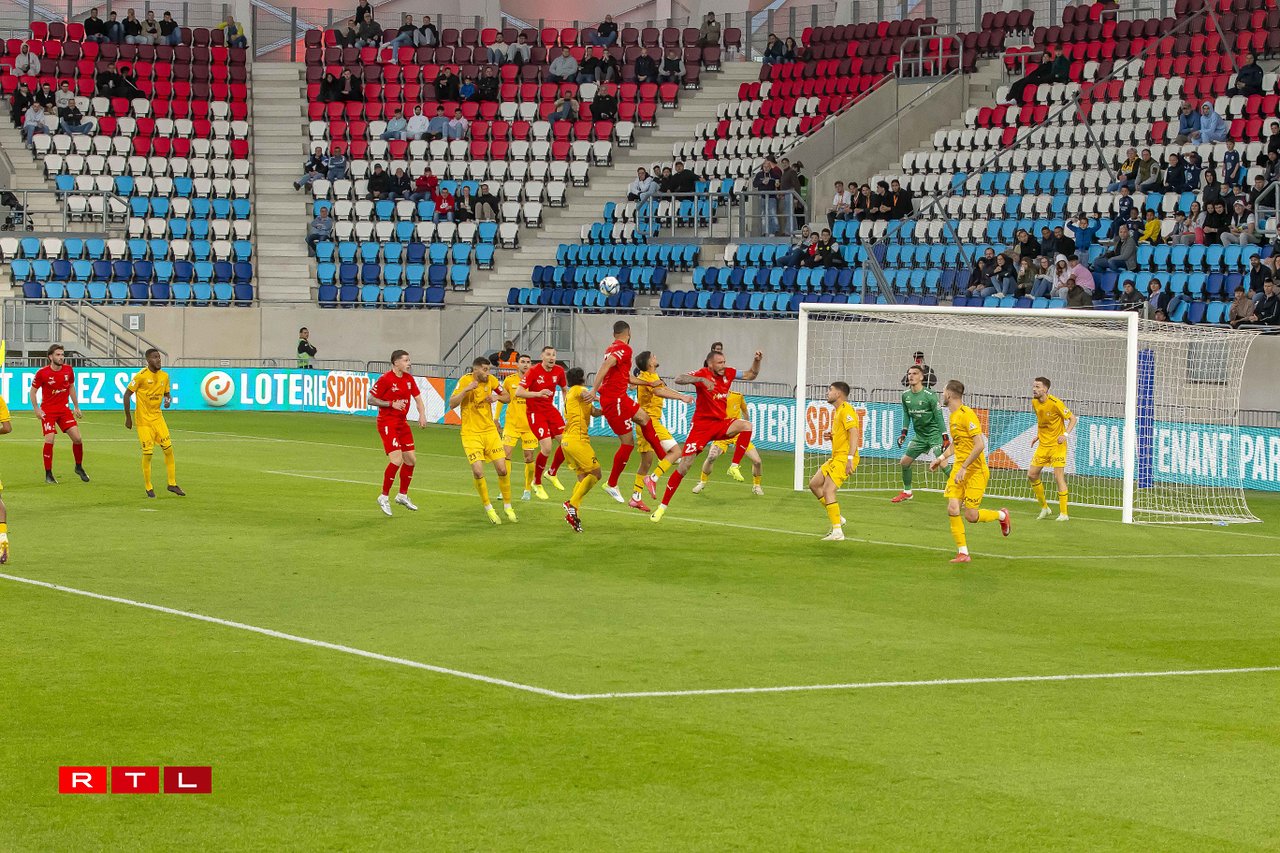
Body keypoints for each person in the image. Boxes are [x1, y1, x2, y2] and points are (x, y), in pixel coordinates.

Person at [648, 350, 761, 523]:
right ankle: (662, 507)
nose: (723, 365)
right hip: (701, 428)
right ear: (710, 364)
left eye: (724, 362)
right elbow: (679, 378)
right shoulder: (702, 374)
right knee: (685, 466)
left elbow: (751, 375)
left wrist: (756, 361)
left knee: (747, 425)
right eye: (719, 363)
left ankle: (734, 465)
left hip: (720, 423)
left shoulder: (729, 373)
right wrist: (700, 379)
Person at [588, 321, 682, 504]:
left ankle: (663, 459)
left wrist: (648, 383)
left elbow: (626, 376)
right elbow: (606, 366)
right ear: (628, 333)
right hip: (614, 399)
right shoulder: (624, 348)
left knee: (644, 419)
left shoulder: (611, 348)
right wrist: (593, 390)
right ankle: (612, 483)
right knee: (627, 443)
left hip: (620, 397)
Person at [929, 380, 1011, 564]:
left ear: (949, 395)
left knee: (971, 516)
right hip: (960, 468)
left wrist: (965, 467)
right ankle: (963, 553)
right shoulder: (952, 416)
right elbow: (956, 446)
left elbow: (980, 445)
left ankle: (1002, 515)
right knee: (952, 507)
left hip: (975, 471)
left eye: (943, 392)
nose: (942, 395)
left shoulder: (968, 415)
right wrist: (941, 459)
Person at [449, 357, 517, 525]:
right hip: (471, 434)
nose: (488, 373)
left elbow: (508, 397)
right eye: (485, 370)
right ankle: (489, 508)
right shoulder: (465, 380)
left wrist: (497, 397)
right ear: (476, 370)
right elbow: (452, 404)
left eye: (489, 369)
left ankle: (508, 506)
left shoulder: (492, 380)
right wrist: (466, 390)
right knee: (478, 472)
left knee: (502, 469)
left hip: (489, 432)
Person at [625, 351, 690, 512]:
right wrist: (681, 397)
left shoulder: (650, 375)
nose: (656, 357)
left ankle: (636, 497)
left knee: (646, 462)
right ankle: (653, 479)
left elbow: (661, 388)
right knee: (676, 452)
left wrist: (679, 394)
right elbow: (659, 391)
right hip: (650, 422)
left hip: (643, 423)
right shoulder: (649, 377)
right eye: (653, 356)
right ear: (649, 363)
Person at [368, 350, 427, 516]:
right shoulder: (386, 379)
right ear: (396, 363)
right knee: (397, 459)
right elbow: (370, 399)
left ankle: (402, 495)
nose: (409, 363)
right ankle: (384, 496)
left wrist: (422, 414)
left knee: (411, 460)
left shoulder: (409, 379)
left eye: (409, 360)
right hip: (387, 423)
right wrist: (390, 404)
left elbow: (418, 399)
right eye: (406, 360)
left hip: (402, 424)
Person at [122, 348, 185, 499]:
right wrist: (128, 417)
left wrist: (168, 400)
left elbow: (167, 394)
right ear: (148, 360)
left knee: (169, 450)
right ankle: (148, 486)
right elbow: (127, 395)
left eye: (159, 357)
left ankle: (172, 483)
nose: (158, 360)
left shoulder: (165, 376)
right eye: (155, 357)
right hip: (143, 421)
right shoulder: (141, 377)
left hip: (158, 419)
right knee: (148, 453)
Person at [807, 382, 861, 541]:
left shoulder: (846, 410)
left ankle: (837, 532)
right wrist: (833, 436)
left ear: (838, 394)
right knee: (814, 484)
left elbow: (854, 433)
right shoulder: (838, 412)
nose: (827, 393)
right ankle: (839, 518)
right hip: (836, 457)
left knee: (828, 490)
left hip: (844, 458)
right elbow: (845, 434)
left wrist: (850, 458)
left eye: (830, 390)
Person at [889, 364, 949, 503]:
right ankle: (907, 492)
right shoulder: (905, 395)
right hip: (920, 437)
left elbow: (939, 416)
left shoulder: (930, 396)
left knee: (942, 463)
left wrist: (944, 437)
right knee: (904, 462)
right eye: (909, 373)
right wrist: (904, 433)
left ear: (921, 377)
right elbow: (906, 414)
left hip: (934, 435)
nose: (911, 376)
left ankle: (960, 493)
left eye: (915, 373)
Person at [515, 346, 568, 499]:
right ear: (542, 356)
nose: (551, 357)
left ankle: (551, 473)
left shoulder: (559, 371)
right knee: (547, 447)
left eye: (554, 355)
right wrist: (538, 393)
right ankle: (536, 482)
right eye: (548, 354)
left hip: (550, 411)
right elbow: (519, 392)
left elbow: (565, 389)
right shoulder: (533, 371)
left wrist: (567, 407)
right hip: (535, 413)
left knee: (567, 444)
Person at [558, 367, 605, 533]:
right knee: (596, 473)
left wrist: (607, 410)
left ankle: (572, 513)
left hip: (568, 441)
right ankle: (571, 504)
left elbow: (593, 412)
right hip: (577, 440)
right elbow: (588, 395)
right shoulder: (580, 390)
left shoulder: (571, 394)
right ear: (583, 379)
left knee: (583, 478)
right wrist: (608, 399)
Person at [33, 344, 87, 484]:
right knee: (49, 439)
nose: (61, 357)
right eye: (58, 355)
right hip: (48, 411)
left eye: (62, 355)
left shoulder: (68, 370)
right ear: (50, 357)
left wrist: (76, 406)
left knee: (77, 439)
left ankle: (79, 466)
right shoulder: (42, 373)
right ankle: (48, 474)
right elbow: (32, 392)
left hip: (64, 410)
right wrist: (37, 409)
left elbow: (71, 387)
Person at [694, 388, 764, 495]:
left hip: (738, 434)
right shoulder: (713, 397)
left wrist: (746, 430)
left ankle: (756, 485)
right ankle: (702, 482)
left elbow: (745, 412)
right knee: (711, 457)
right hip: (722, 434)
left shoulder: (738, 396)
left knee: (757, 461)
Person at [1028, 377, 1075, 521]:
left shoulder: (1056, 403)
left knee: (1058, 476)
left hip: (1057, 445)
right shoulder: (1034, 402)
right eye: (1034, 386)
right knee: (1032, 474)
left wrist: (1065, 434)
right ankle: (1045, 508)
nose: (1034, 389)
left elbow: (1073, 418)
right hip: (1043, 444)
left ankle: (1064, 513)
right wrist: (1038, 435)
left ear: (1045, 389)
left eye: (1037, 387)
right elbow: (1042, 421)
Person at [500, 354, 539, 500]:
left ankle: (527, 490)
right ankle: (504, 489)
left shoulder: (535, 381)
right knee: (505, 455)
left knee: (529, 457)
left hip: (529, 426)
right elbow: (502, 399)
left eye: (528, 362)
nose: (526, 365)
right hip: (511, 425)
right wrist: (497, 417)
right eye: (523, 362)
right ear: (517, 364)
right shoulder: (510, 381)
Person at [1004, 44, 1068, 105]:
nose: (1045, 58)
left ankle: (1018, 99)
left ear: (1050, 58)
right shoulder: (1042, 65)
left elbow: (1050, 74)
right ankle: (1011, 96)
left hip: (1041, 78)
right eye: (1044, 57)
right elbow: (1036, 72)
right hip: (1037, 77)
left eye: (1046, 57)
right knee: (1016, 83)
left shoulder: (1050, 64)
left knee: (1024, 83)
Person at [753, 158, 781, 236]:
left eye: (767, 166)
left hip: (772, 197)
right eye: (764, 167)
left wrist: (777, 185)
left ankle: (775, 231)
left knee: (772, 214)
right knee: (763, 215)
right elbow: (754, 184)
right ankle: (765, 232)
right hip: (762, 197)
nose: (766, 168)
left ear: (770, 167)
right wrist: (761, 182)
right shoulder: (759, 174)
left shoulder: (775, 175)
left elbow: (778, 184)